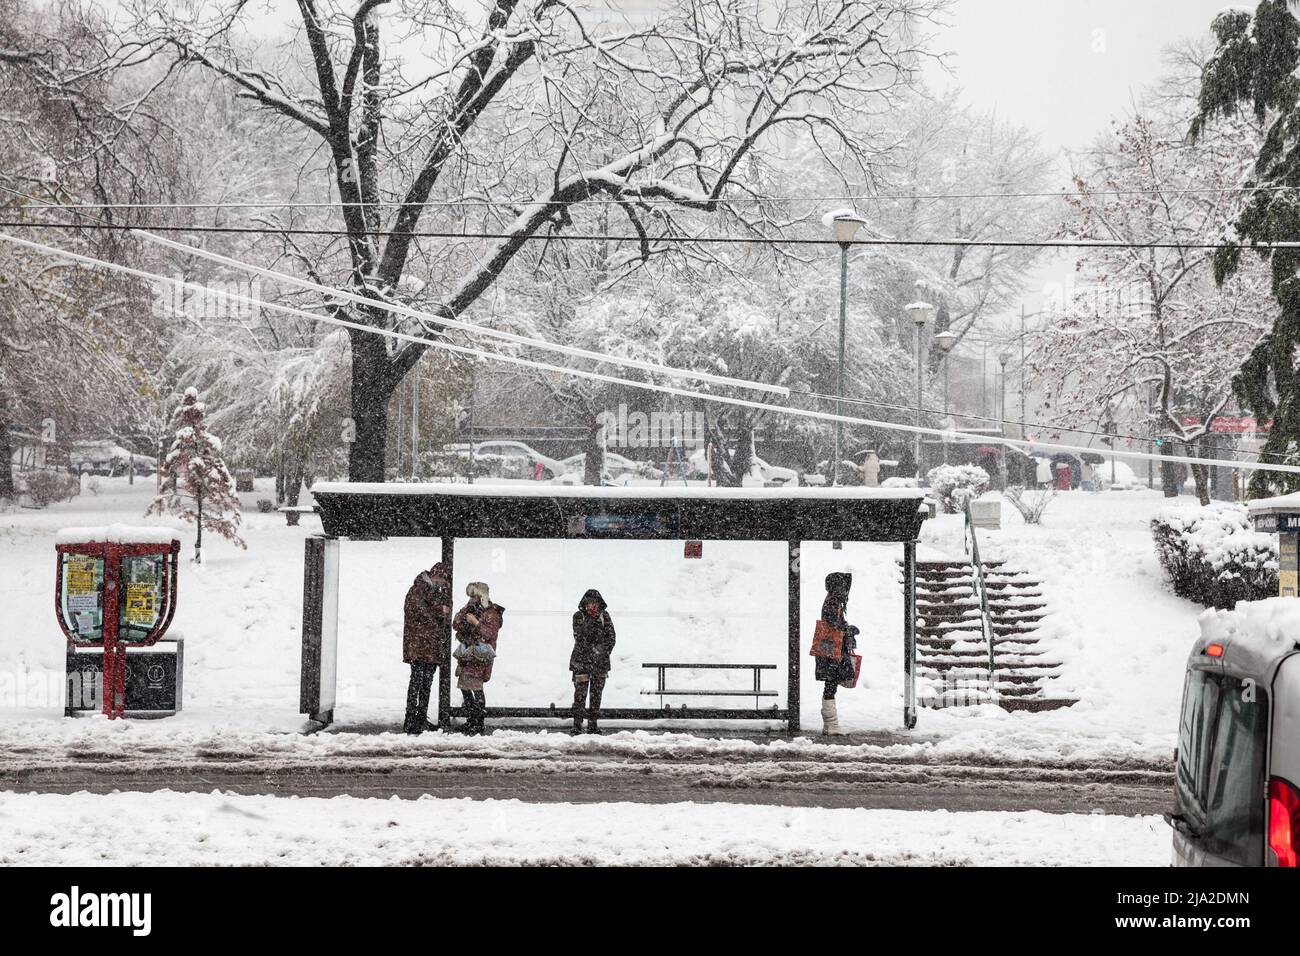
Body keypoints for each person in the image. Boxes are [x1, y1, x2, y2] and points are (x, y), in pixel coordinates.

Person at [402, 562, 452, 735]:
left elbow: (443, 613)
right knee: (418, 681)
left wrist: (443, 599)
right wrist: (439, 610)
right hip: (419, 645)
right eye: (441, 580)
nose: (442, 584)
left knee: (425, 683)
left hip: (428, 646)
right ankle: (411, 719)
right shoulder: (418, 589)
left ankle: (420, 717)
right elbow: (422, 613)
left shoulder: (433, 591)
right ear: (435, 576)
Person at [452, 581, 505, 735]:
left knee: (476, 687)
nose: (472, 599)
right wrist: (465, 613)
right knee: (465, 686)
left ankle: (478, 721)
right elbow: (456, 623)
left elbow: (490, 634)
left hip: (480, 655)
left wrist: (475, 623)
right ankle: (472, 720)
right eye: (470, 596)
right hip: (468, 653)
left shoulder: (491, 612)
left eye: (474, 596)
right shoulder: (471, 609)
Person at [817, 572, 859, 736]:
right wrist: (847, 629)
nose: (845, 590)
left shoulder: (833, 601)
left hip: (830, 648)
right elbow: (832, 624)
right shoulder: (833, 602)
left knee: (831, 684)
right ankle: (831, 725)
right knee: (831, 683)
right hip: (832, 649)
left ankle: (830, 724)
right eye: (842, 586)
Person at [569, 589, 616, 735]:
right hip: (581, 663)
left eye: (594, 603)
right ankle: (577, 725)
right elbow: (581, 637)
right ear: (585, 604)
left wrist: (601, 653)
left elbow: (612, 638)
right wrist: (593, 622)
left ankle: (592, 724)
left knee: (596, 695)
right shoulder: (579, 616)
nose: (592, 606)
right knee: (580, 695)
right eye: (589, 603)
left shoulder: (605, 616)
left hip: (600, 664)